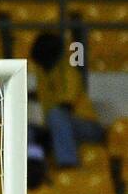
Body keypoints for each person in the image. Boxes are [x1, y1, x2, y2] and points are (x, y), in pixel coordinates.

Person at [30, 31, 104, 168]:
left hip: (88, 127)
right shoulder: (42, 72)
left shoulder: (69, 72)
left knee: (56, 116)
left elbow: (66, 107)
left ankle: (68, 164)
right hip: (58, 125)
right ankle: (33, 171)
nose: (41, 63)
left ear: (52, 56)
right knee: (29, 130)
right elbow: (43, 95)